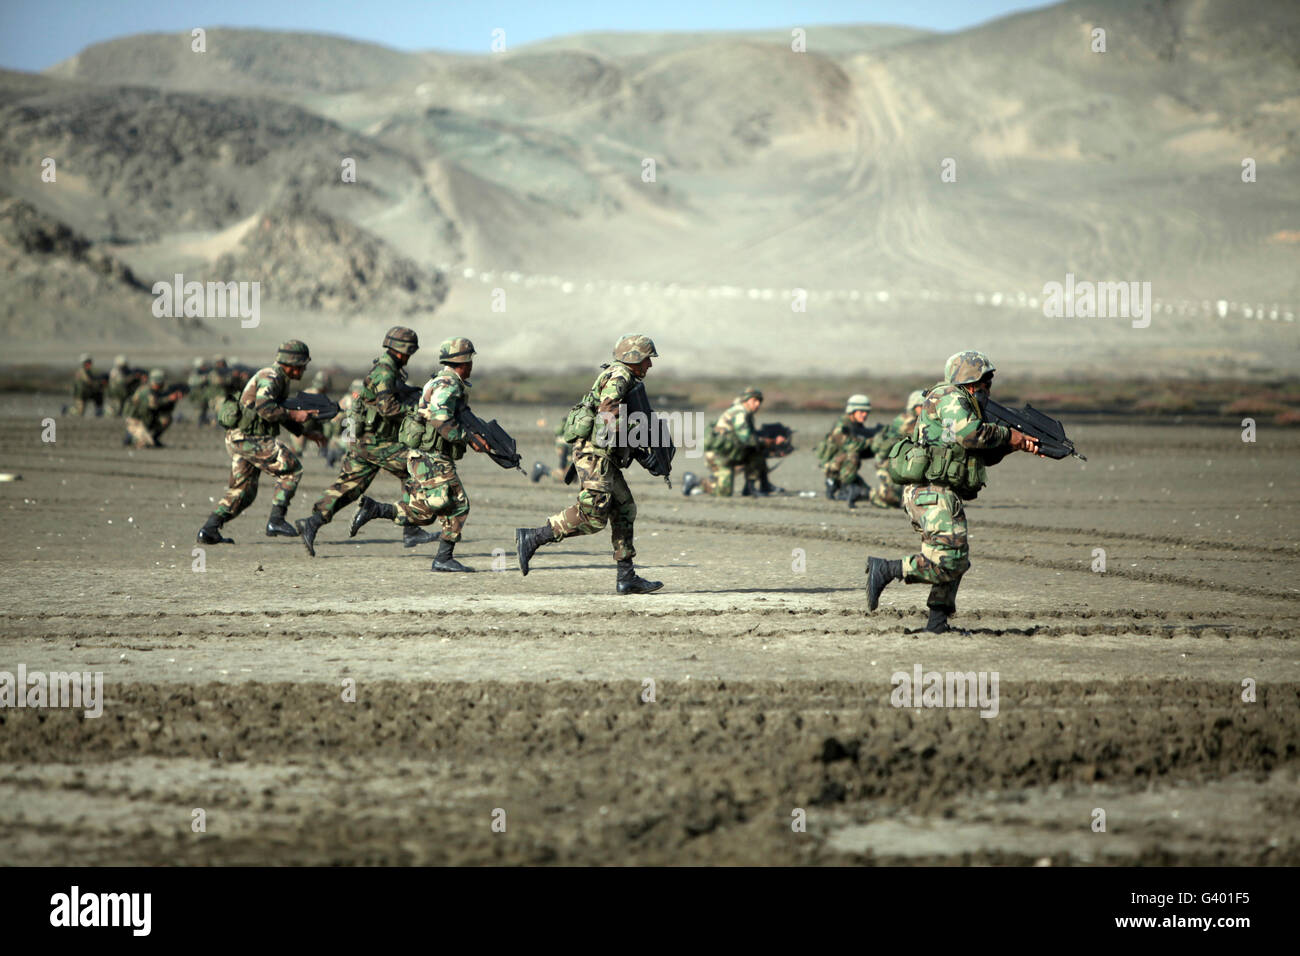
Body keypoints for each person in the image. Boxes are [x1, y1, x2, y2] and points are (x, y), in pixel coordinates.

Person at [864, 351, 1041, 633]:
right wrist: (1010, 435)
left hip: (938, 493)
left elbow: (978, 452)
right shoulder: (950, 397)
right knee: (950, 560)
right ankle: (886, 570)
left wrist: (1014, 445)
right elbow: (969, 434)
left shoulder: (959, 403)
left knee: (955, 556)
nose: (988, 389)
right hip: (931, 493)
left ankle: (936, 623)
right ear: (971, 381)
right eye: (986, 382)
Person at [514, 333, 664, 594]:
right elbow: (608, 416)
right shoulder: (620, 377)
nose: (650, 365)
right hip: (595, 454)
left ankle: (626, 577)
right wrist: (639, 441)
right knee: (593, 517)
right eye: (647, 359)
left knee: (625, 508)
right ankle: (534, 537)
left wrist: (639, 450)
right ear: (634, 357)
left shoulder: (622, 376)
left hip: (602, 454)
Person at [349, 337, 490, 572]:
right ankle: (443, 558)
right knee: (458, 505)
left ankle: (374, 509)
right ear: (464, 362)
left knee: (422, 512)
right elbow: (439, 418)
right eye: (470, 359)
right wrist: (468, 439)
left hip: (421, 456)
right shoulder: (449, 385)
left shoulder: (438, 380)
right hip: (433, 457)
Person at [297, 327, 436, 555]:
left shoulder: (389, 369)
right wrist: (417, 411)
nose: (410, 355)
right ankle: (411, 527)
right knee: (414, 467)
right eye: (409, 351)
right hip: (377, 442)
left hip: (367, 442)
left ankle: (312, 522)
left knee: (350, 487)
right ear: (401, 350)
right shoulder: (385, 371)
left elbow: (389, 396)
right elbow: (387, 407)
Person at [195, 340, 321, 544]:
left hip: (242, 438)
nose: (305, 369)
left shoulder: (280, 379)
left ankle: (209, 529)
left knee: (243, 492)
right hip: (249, 438)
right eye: (302, 365)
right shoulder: (271, 377)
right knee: (291, 469)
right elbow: (266, 409)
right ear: (291, 363)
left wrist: (304, 432)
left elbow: (279, 414)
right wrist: (295, 414)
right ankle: (276, 520)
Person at [681, 387, 786, 496]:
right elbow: (747, 439)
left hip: (731, 453)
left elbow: (751, 440)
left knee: (757, 452)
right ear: (746, 400)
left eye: (759, 401)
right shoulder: (739, 413)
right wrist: (771, 442)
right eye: (754, 400)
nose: (758, 404)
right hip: (720, 456)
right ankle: (694, 480)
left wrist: (770, 447)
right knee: (723, 493)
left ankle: (754, 487)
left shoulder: (746, 414)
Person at [866, 389, 927, 509]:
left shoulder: (918, 420)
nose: (924, 409)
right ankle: (873, 495)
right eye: (921, 406)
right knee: (891, 500)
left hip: (903, 458)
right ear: (913, 406)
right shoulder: (906, 421)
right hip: (889, 461)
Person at [818, 394, 873, 508]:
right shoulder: (842, 426)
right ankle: (843, 487)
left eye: (867, 412)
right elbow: (851, 447)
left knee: (866, 493)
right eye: (861, 412)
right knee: (852, 456)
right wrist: (872, 441)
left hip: (841, 465)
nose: (865, 415)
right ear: (852, 411)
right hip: (833, 465)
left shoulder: (855, 425)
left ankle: (834, 484)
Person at [122, 369, 183, 448]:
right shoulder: (145, 391)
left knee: (166, 418)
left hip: (147, 419)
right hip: (135, 421)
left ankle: (153, 438)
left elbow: (163, 409)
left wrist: (173, 401)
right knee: (145, 444)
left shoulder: (157, 392)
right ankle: (131, 437)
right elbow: (153, 405)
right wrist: (169, 399)